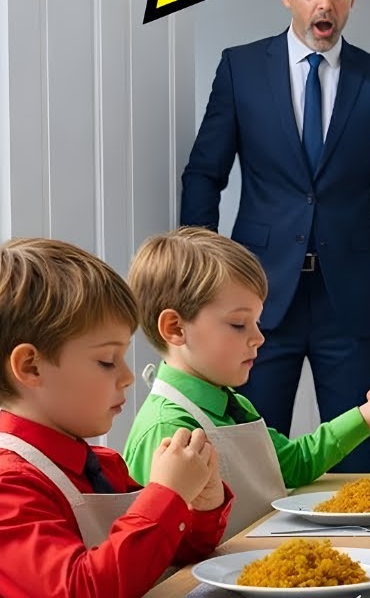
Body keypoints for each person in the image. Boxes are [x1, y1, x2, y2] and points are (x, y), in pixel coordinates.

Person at [180, 0, 370, 473]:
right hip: (257, 299)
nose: (326, 2)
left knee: (354, 449)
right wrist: (198, 269)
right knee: (251, 451)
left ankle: (362, 556)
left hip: (350, 300)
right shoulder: (241, 69)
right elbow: (205, 174)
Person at [122, 227, 370, 535]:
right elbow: (156, 548)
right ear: (175, 328)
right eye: (239, 324)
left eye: (257, 322)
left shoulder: (237, 405)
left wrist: (365, 416)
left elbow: (295, 464)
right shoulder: (166, 430)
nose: (259, 337)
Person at [0, 238, 231, 597]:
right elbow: (82, 590)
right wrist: (167, 494)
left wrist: (202, 503)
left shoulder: (104, 466)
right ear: (31, 366)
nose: (126, 376)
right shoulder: (9, 485)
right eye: (107, 361)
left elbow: (167, 555)